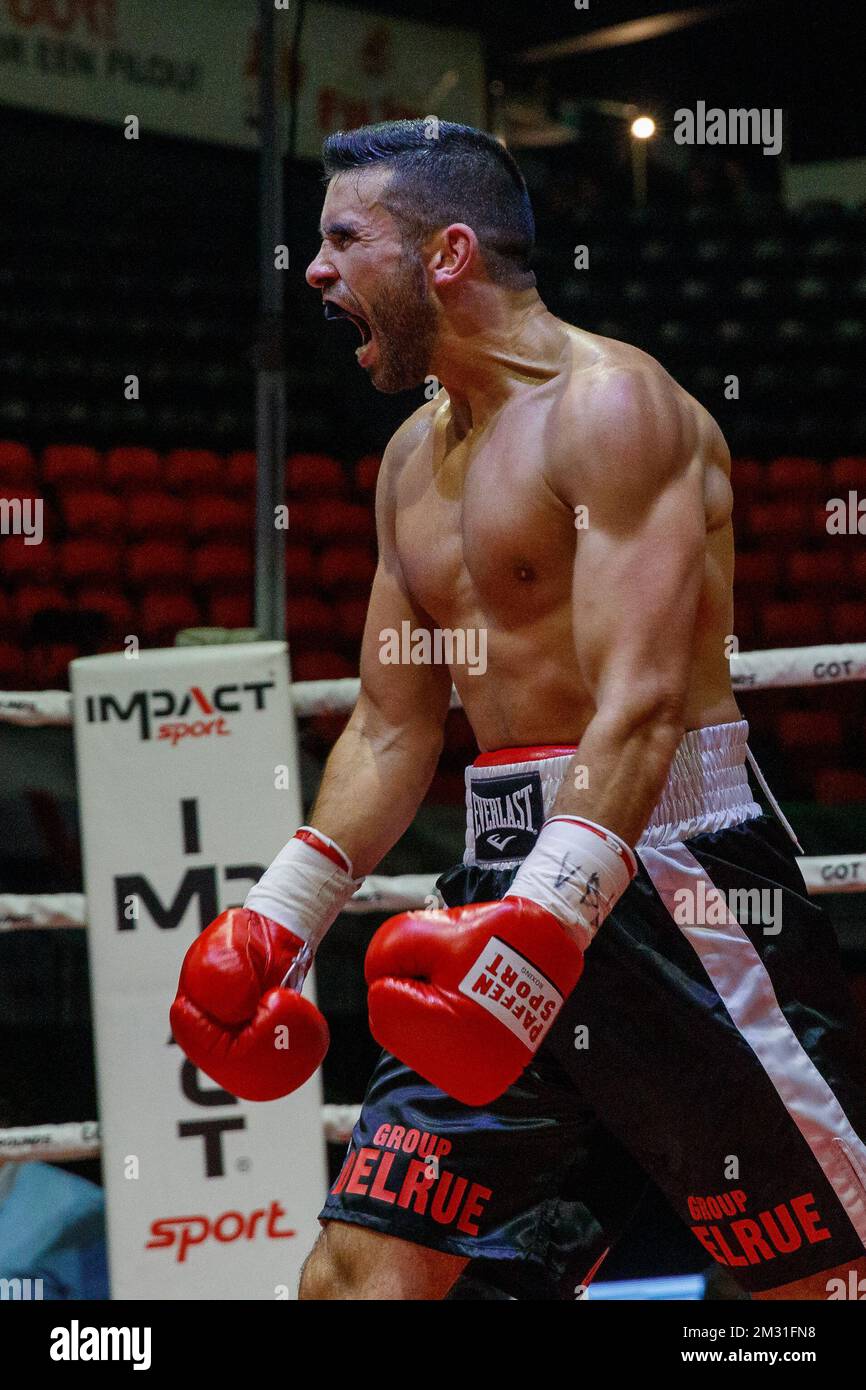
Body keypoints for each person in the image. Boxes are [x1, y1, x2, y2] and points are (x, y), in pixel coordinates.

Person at [171, 120, 866, 1301]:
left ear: (444, 254)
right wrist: (274, 922)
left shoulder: (613, 410)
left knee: (823, 1283)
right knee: (356, 1279)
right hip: (497, 889)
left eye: (342, 239)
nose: (315, 271)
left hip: (669, 880)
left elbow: (642, 705)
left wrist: (552, 916)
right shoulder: (409, 464)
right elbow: (393, 729)